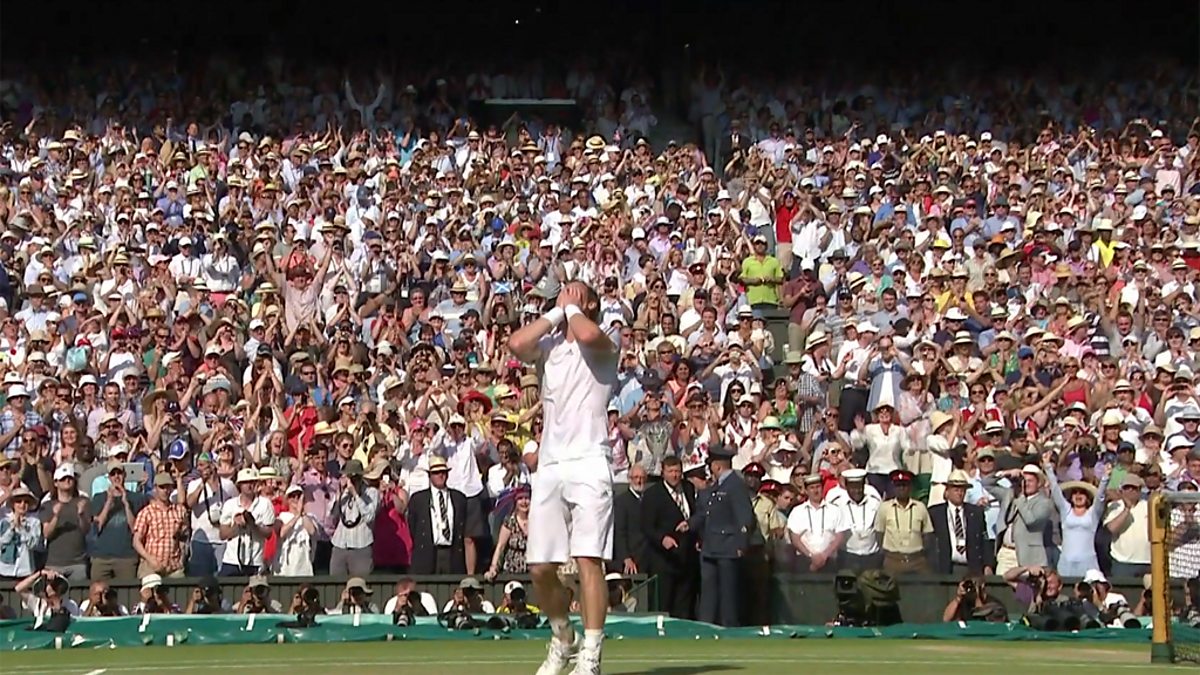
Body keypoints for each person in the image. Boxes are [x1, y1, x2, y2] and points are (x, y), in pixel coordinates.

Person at [508, 280, 618, 675]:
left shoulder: (605, 343)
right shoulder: (550, 346)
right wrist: (557, 311)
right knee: (539, 566)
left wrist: (572, 308)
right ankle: (562, 637)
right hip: (551, 464)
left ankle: (591, 654)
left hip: (590, 460)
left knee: (589, 558)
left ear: (590, 303)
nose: (566, 293)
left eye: (575, 291)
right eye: (563, 290)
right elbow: (517, 345)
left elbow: (587, 332)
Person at [689, 447, 755, 627]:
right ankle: (705, 626)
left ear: (717, 466)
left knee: (728, 595)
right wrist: (690, 524)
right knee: (708, 594)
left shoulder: (735, 485)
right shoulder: (715, 487)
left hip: (728, 547)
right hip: (710, 546)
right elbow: (707, 513)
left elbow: (745, 517)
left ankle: (729, 629)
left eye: (711, 466)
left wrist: (741, 544)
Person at [639, 455, 698, 619]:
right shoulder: (653, 494)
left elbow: (695, 513)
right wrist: (662, 538)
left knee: (685, 603)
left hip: (687, 557)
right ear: (663, 472)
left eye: (677, 471)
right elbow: (646, 525)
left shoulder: (688, 488)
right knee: (664, 603)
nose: (674, 475)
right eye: (670, 471)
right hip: (664, 559)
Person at [406, 457, 468, 575]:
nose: (440, 475)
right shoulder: (418, 499)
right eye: (436, 473)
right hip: (427, 552)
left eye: (443, 472)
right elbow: (413, 527)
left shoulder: (459, 498)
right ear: (430, 476)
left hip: (452, 552)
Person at [928, 470, 987, 575]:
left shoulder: (976, 512)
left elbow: (984, 540)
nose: (960, 493)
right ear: (947, 491)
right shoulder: (935, 513)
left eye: (962, 490)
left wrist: (987, 565)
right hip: (945, 567)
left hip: (970, 567)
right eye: (956, 489)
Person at [217, 468, 275, 576]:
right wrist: (237, 526)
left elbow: (268, 533)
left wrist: (253, 525)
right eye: (246, 482)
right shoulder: (230, 504)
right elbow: (223, 534)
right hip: (232, 560)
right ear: (239, 485)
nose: (250, 485)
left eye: (252, 482)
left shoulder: (265, 504)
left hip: (255, 561)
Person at [875, 469, 933, 575]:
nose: (901, 488)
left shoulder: (920, 507)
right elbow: (879, 534)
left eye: (904, 485)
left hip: (917, 560)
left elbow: (927, 534)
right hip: (893, 560)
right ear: (893, 487)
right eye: (898, 485)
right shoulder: (885, 507)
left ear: (910, 487)